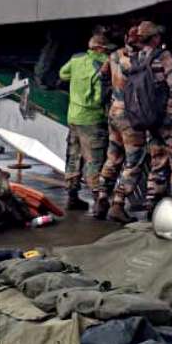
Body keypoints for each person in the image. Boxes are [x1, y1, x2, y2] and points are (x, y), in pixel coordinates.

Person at [136, 21, 172, 212]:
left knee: (157, 160)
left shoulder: (138, 57)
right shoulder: (163, 56)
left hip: (149, 117)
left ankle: (152, 200)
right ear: (156, 37)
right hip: (169, 117)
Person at [58, 34, 113, 212]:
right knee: (94, 160)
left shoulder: (77, 59)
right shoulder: (105, 63)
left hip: (73, 116)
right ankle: (98, 200)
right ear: (100, 48)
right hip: (92, 119)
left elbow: (62, 74)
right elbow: (100, 98)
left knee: (73, 157)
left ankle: (72, 197)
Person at [97, 26, 141, 220]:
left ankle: (101, 198)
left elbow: (102, 75)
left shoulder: (114, 55)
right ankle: (118, 202)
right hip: (131, 116)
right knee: (133, 160)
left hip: (114, 111)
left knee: (113, 156)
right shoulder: (140, 59)